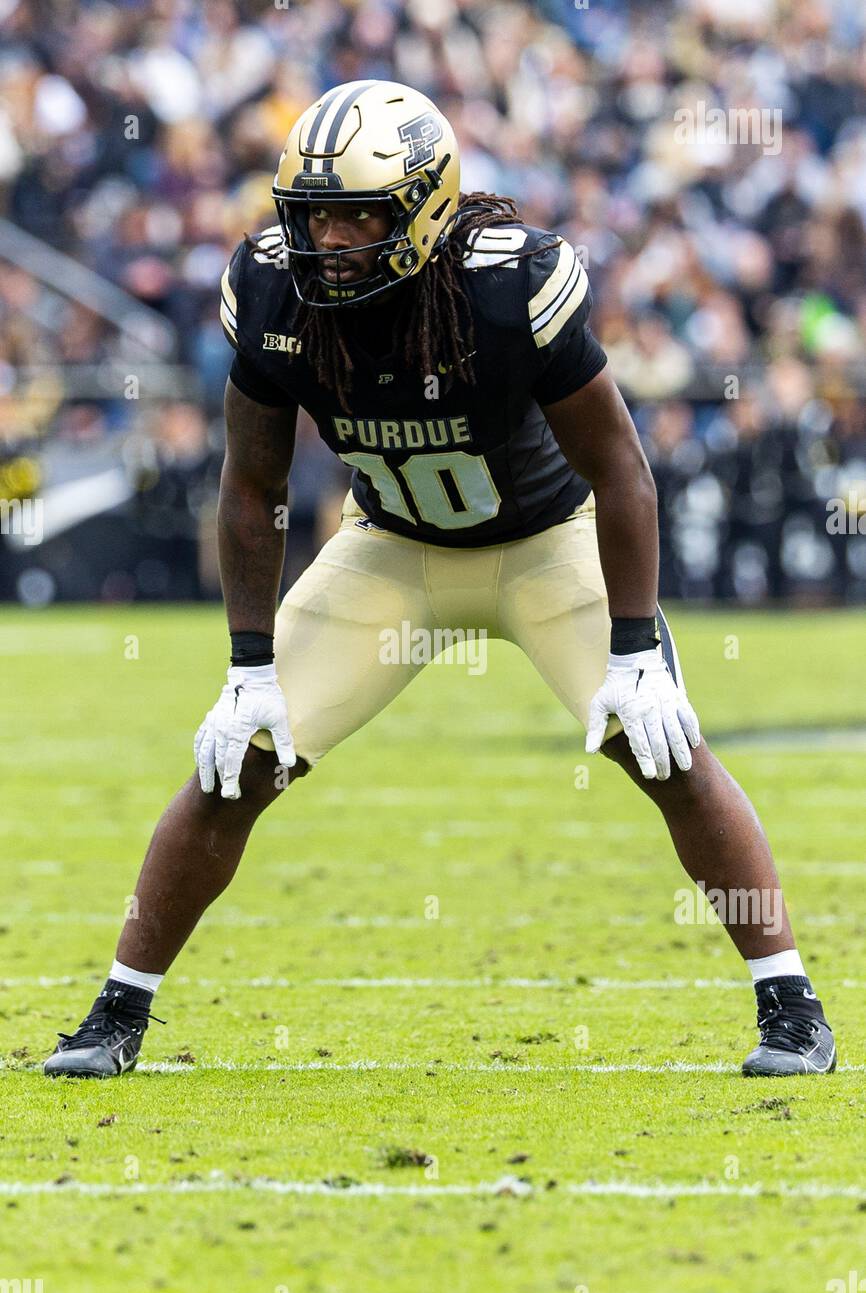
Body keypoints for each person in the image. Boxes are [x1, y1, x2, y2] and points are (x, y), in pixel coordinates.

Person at [44, 81, 835, 1080]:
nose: (328, 239)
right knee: (236, 760)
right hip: (394, 554)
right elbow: (252, 488)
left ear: (422, 205)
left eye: (356, 213)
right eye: (312, 213)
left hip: (548, 544)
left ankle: (790, 1004)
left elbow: (621, 468)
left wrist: (634, 649)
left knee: (662, 746)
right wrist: (247, 667)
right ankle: (117, 1013)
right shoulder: (274, 290)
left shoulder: (507, 287)